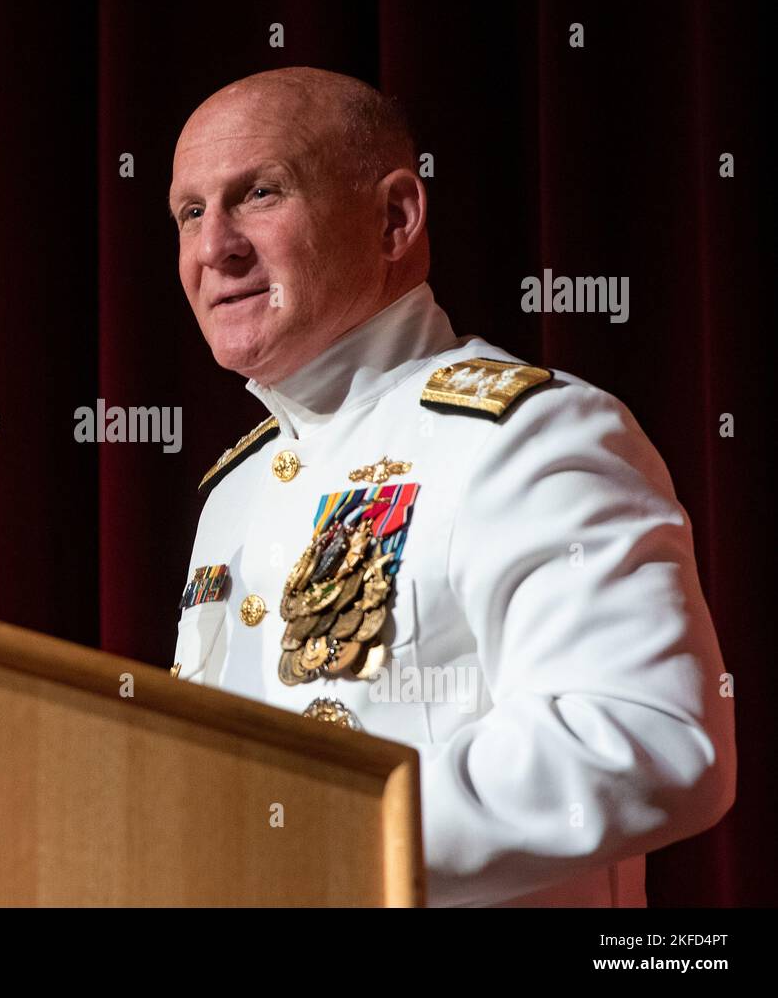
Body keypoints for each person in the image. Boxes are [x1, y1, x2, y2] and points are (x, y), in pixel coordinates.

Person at [167, 66, 735, 908]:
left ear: (395, 218)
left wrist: (322, 831)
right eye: (189, 212)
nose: (215, 246)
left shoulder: (527, 435)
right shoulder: (235, 490)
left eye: (259, 193)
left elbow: (647, 734)